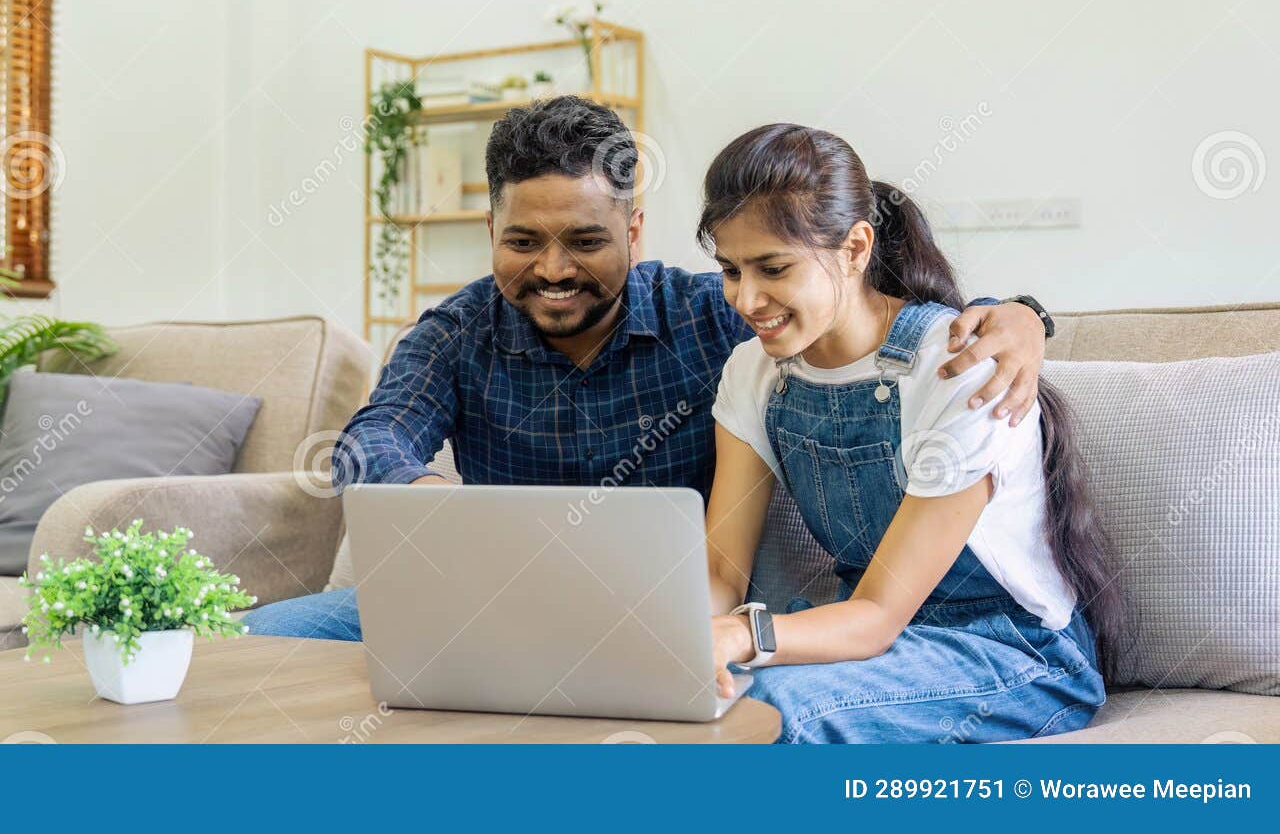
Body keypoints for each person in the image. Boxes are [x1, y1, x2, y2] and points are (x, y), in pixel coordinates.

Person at [242, 97, 1051, 642]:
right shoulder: (458, 333)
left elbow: (852, 303)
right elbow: (368, 440)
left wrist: (1019, 315)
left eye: (585, 242)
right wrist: (424, 494)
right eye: (523, 242)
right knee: (241, 647)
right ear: (492, 227)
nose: (552, 269)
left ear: (633, 228)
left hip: (650, 618)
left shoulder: (715, 317)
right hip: (481, 609)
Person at [699, 123, 1122, 743]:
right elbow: (720, 574)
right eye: (732, 270)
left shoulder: (960, 366)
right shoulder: (752, 371)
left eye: (773, 268)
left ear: (855, 248)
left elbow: (875, 618)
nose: (747, 298)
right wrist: (682, 647)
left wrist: (741, 635)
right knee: (696, 703)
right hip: (857, 639)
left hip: (1012, 655)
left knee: (768, 719)